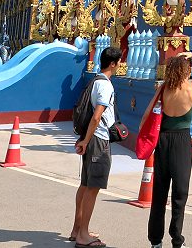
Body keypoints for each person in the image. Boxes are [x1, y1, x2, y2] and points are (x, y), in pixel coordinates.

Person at [146, 51, 192, 248]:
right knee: (180, 193)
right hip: (182, 141)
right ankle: (177, 238)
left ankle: (156, 241)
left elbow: (147, 115)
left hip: (162, 141)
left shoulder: (163, 90)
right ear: (187, 70)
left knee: (159, 193)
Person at [71, 46, 121, 248]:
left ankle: (77, 229)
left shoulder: (94, 80)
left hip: (90, 138)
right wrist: (86, 140)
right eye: (119, 62)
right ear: (113, 63)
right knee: (93, 188)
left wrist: (84, 139)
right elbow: (97, 116)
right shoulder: (106, 85)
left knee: (85, 184)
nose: (120, 65)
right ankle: (83, 235)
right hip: (98, 140)